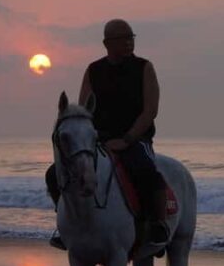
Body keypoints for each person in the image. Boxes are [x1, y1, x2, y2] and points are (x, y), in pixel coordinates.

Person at [46, 18, 169, 249]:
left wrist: (127, 139)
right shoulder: (94, 70)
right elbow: (83, 110)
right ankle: (65, 225)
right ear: (107, 43)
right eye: (122, 39)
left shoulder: (144, 67)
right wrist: (93, 138)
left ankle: (157, 223)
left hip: (135, 138)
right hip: (99, 140)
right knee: (54, 174)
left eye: (131, 38)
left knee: (145, 171)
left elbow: (150, 110)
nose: (129, 43)